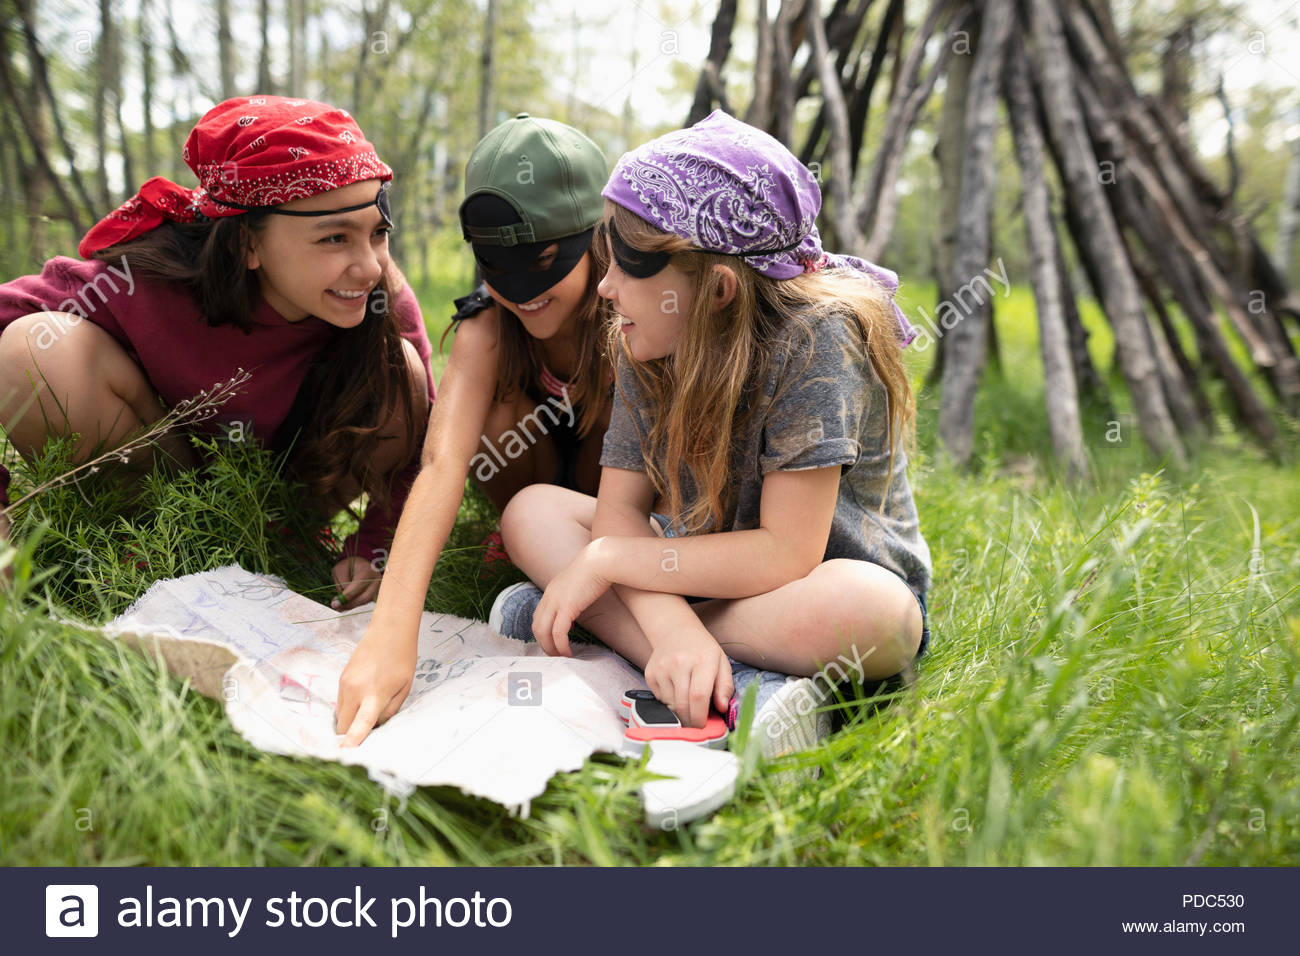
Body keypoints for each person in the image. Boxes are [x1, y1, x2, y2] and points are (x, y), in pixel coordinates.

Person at [495, 110, 933, 757]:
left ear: (718, 290)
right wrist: (670, 625)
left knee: (881, 617)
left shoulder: (818, 338)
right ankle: (727, 675)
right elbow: (618, 512)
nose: (606, 288)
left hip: (810, 585)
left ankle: (603, 628)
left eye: (626, 268)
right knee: (532, 511)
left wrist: (611, 565)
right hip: (695, 567)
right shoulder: (644, 342)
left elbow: (788, 553)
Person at [0, 95, 433, 607]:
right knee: (34, 351)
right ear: (245, 244)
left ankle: (282, 551)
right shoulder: (143, 279)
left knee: (401, 372)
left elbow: (431, 438)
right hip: (158, 482)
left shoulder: (381, 296)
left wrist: (376, 545)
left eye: (378, 234)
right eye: (335, 238)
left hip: (283, 496)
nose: (368, 267)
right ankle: (146, 556)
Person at [333, 114, 613, 745]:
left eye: (545, 262)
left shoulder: (634, 315)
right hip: (531, 485)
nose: (524, 292)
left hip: (619, 492)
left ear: (597, 240)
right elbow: (442, 464)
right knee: (488, 408)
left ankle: (582, 566)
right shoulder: (492, 327)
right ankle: (527, 545)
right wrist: (390, 634)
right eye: (498, 266)